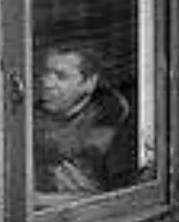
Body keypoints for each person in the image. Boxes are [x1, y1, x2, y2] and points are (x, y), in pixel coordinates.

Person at [35, 43, 135, 194]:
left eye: (61, 76)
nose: (46, 83)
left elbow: (97, 195)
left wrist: (36, 201)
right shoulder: (30, 113)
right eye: (44, 74)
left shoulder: (111, 125)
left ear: (89, 83)